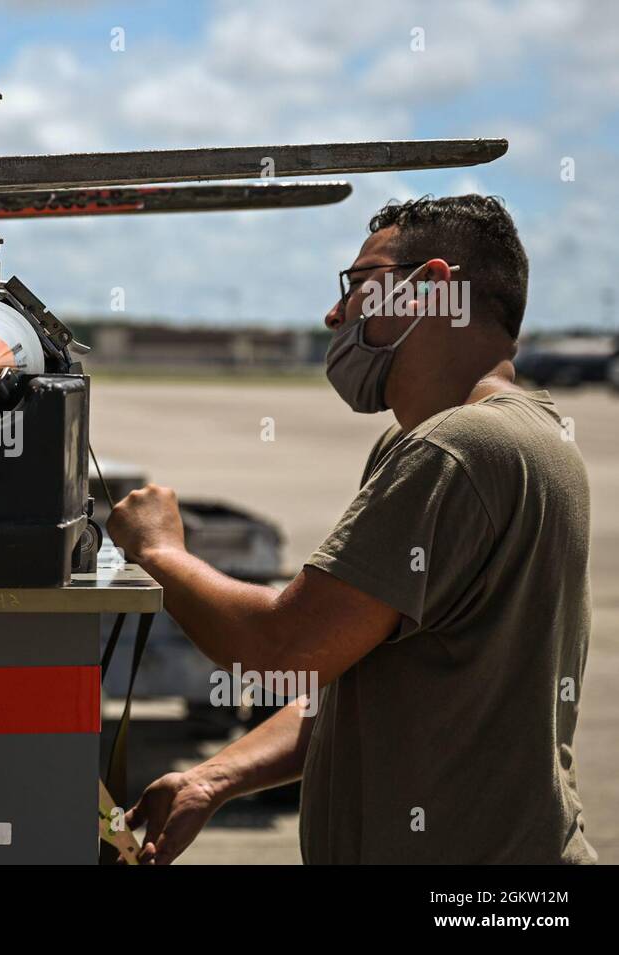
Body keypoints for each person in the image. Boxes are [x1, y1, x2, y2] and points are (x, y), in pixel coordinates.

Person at [108, 195, 594, 864]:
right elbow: (339, 678)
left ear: (431, 291)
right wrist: (212, 777)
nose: (336, 314)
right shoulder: (505, 436)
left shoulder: (459, 448)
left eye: (360, 285)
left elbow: (284, 649)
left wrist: (159, 550)